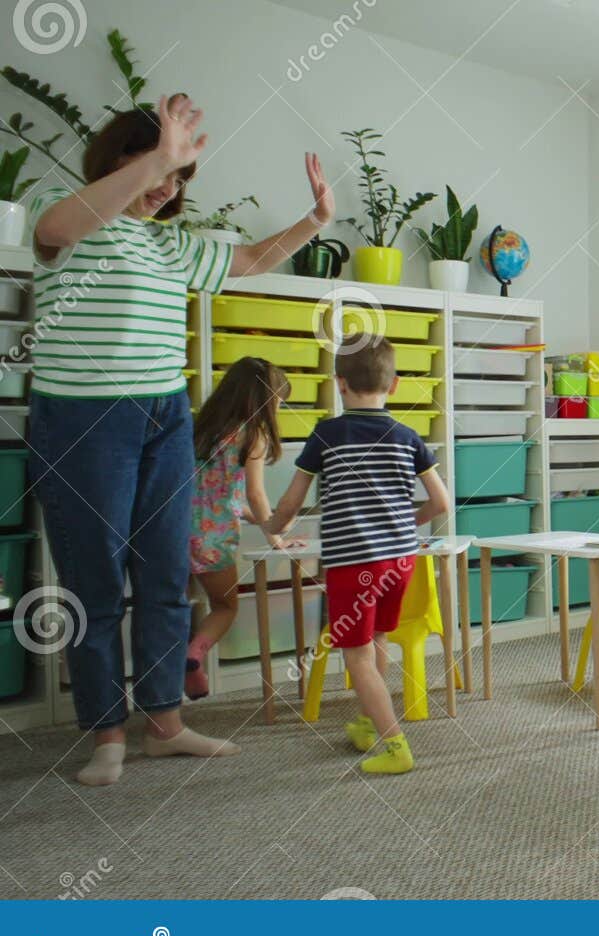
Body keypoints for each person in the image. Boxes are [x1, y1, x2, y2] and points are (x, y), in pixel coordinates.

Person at [28, 94, 333, 786]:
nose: (168, 185)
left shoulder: (170, 243)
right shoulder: (66, 208)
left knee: (166, 575)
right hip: (82, 418)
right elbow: (55, 228)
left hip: (164, 416)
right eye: (156, 166)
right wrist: (157, 161)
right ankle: (108, 733)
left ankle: (164, 724)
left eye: (179, 176)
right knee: (95, 580)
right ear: (118, 160)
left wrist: (315, 221)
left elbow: (251, 259)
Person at [265, 334, 450, 775]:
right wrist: (404, 526)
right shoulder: (408, 437)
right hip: (401, 561)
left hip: (354, 566)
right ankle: (371, 719)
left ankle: (395, 745)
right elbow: (441, 503)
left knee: (356, 654)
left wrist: (269, 526)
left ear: (339, 384)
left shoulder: (327, 434)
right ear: (395, 385)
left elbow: (291, 504)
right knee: (379, 638)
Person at [184, 358, 293, 700]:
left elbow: (217, 493)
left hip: (173, 532)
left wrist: (247, 515)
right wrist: (275, 537)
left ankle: (172, 675)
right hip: (213, 541)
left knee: (175, 607)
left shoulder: (201, 428)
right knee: (225, 606)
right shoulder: (253, 435)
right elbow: (257, 494)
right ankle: (194, 654)